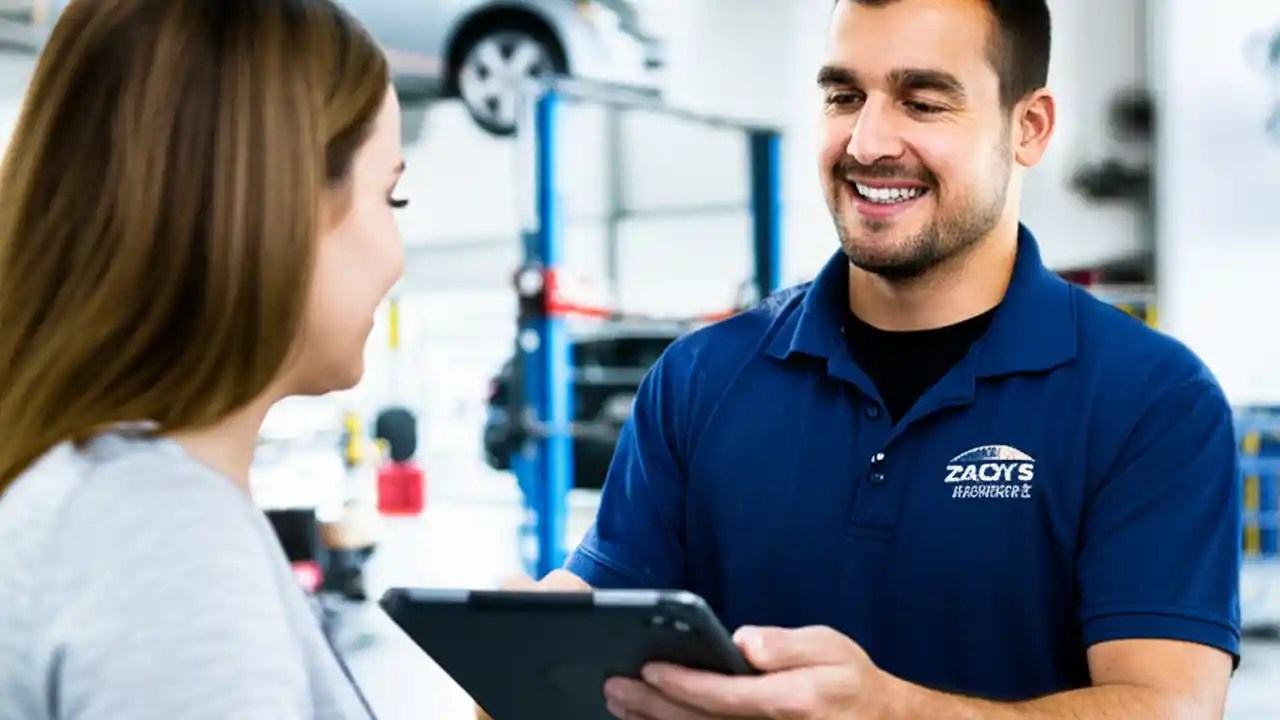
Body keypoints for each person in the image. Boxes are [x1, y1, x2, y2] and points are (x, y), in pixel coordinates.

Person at [504, 0, 1243, 718]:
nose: (866, 143)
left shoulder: (1151, 400)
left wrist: (888, 711)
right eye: (844, 96)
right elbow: (599, 646)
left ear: (1029, 127)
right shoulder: (698, 381)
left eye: (922, 102)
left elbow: (1168, 705)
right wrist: (520, 667)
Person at [0, 0, 406, 717]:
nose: (396, 258)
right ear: (280, 204)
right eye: (391, 197)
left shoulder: (92, 498)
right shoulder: (166, 542)